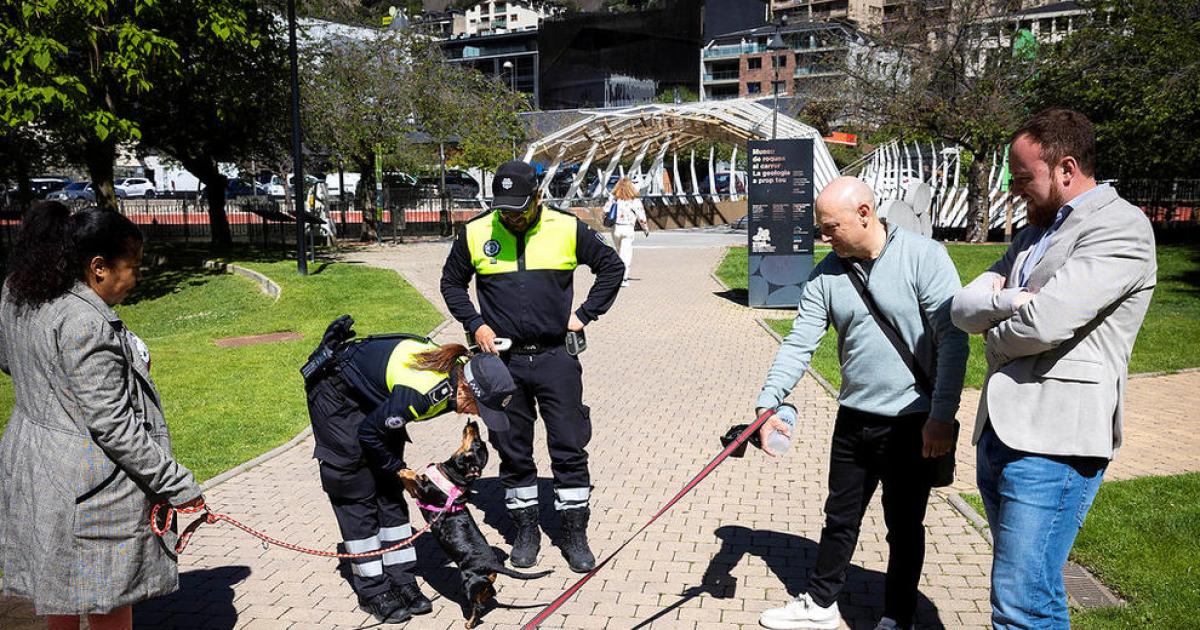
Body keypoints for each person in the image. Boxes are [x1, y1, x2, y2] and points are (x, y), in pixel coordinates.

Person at [951, 109, 1156, 629]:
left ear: (1065, 168)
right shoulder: (1033, 234)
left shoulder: (1120, 227)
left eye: (1022, 178)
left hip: (1055, 444)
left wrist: (996, 325)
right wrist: (1016, 298)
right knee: (1020, 590)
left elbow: (1044, 326)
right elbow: (961, 306)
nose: (1015, 190)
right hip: (1002, 432)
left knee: (1024, 604)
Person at [755, 177, 969, 630]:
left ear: (865, 214)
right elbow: (799, 342)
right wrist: (767, 402)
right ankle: (820, 605)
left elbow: (953, 341)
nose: (823, 236)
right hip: (854, 417)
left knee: (904, 526)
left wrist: (942, 416)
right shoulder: (827, 274)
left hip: (913, 422)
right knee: (839, 517)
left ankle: (897, 616)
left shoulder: (924, 258)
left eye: (830, 227)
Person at [0, 203, 205, 630]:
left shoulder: (18, 292)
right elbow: (113, 425)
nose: (138, 276)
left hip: (35, 465)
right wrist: (179, 484)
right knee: (107, 599)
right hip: (90, 484)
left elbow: (10, 361)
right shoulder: (84, 322)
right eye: (133, 265)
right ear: (98, 267)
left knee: (60, 592)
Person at [440, 159, 624, 573]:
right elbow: (451, 282)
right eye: (504, 209)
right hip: (502, 363)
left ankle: (574, 533)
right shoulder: (475, 232)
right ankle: (526, 531)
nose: (511, 216)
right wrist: (475, 324)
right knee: (513, 449)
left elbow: (612, 267)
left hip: (556, 357)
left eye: (519, 208)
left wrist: (585, 314)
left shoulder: (566, 226)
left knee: (569, 445)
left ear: (538, 196)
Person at [301, 316, 517, 623]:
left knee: (390, 489)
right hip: (336, 394)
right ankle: (373, 590)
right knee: (356, 487)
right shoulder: (422, 393)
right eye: (482, 409)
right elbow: (368, 433)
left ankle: (402, 581)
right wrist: (400, 468)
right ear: (467, 390)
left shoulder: (458, 371)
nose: (479, 417)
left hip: (377, 399)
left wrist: (396, 472)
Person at [608, 177, 649, 287]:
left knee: (619, 252)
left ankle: (617, 274)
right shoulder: (635, 201)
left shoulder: (614, 199)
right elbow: (641, 217)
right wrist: (645, 228)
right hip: (628, 228)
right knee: (625, 254)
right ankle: (623, 278)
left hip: (615, 228)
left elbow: (605, 211)